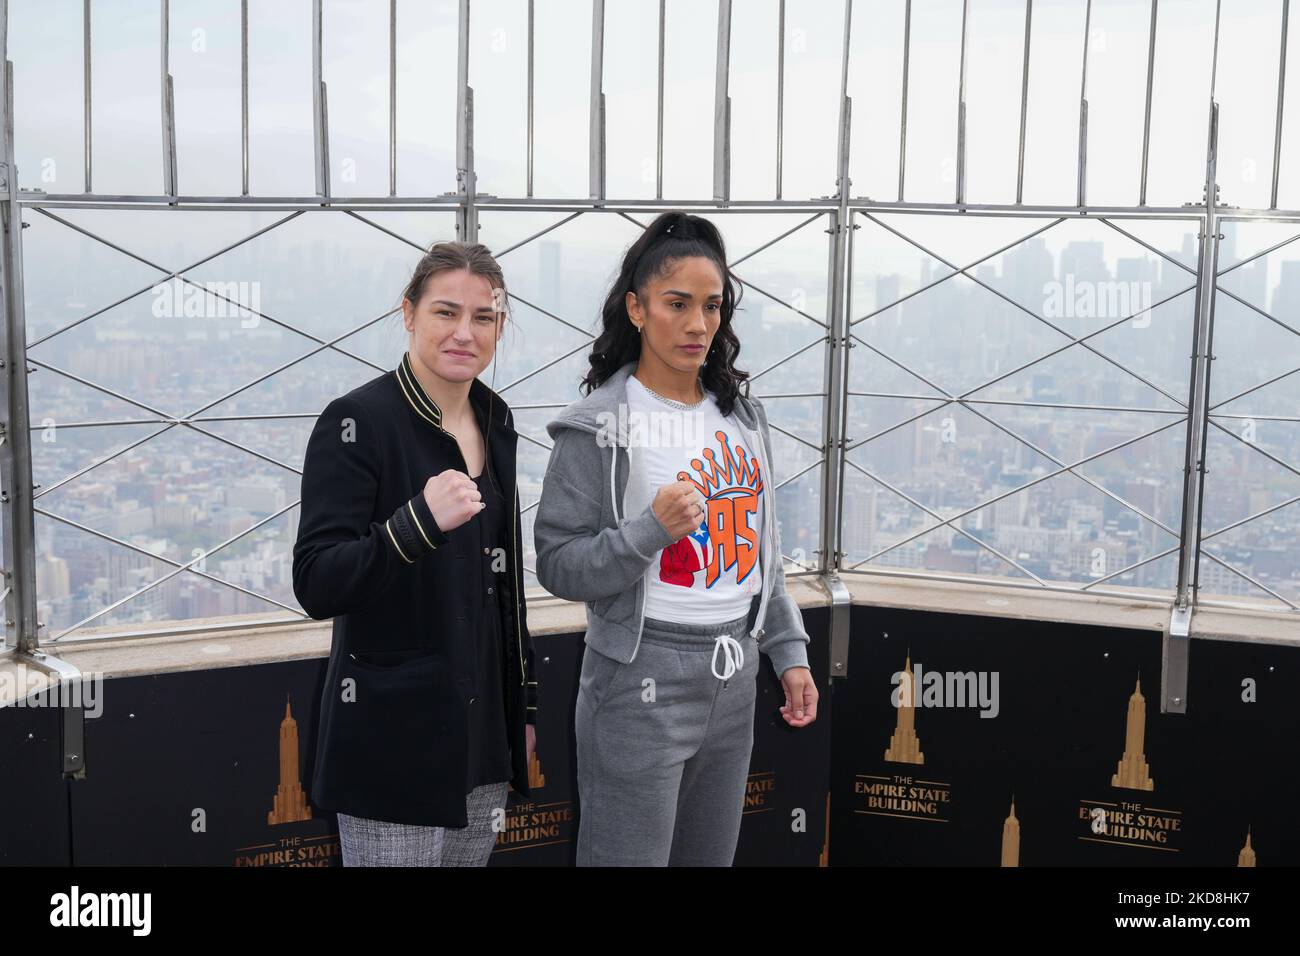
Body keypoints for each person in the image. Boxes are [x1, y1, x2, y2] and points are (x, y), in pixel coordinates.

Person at [534, 211, 818, 867]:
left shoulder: (743, 418)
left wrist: (789, 650)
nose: (697, 324)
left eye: (712, 306)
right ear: (636, 308)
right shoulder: (599, 425)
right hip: (638, 682)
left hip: (735, 676)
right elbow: (557, 564)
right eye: (677, 304)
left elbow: (760, 555)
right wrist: (647, 533)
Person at [292, 241, 538, 866]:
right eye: (445, 312)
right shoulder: (358, 422)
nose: (464, 332)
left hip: (483, 739)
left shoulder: (496, 418)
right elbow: (317, 581)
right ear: (408, 313)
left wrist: (522, 709)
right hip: (390, 748)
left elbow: (505, 593)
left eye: (483, 318)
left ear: (500, 327)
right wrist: (416, 524)